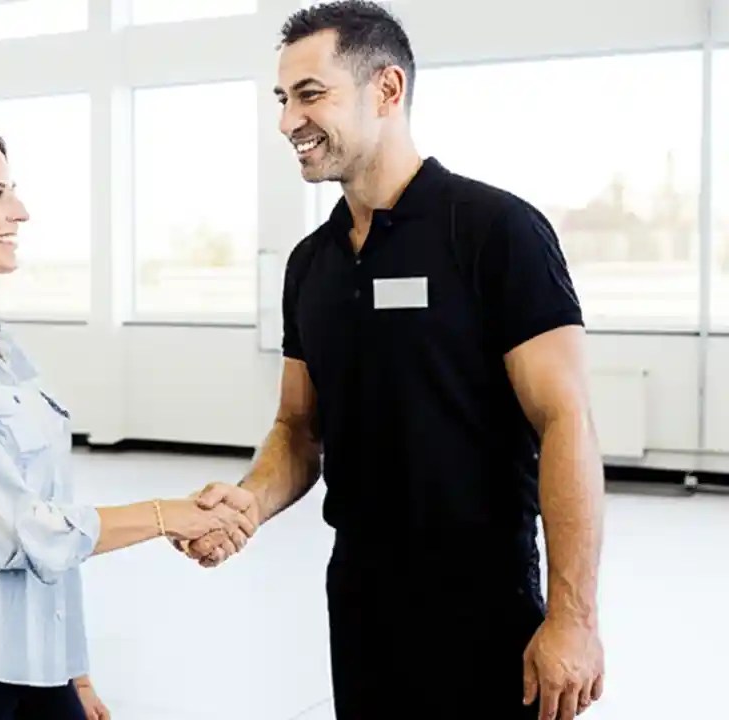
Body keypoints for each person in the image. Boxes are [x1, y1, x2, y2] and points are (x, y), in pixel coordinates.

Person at [179, 3, 606, 719]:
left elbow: (566, 420)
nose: (288, 121)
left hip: (482, 592)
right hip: (360, 590)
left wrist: (574, 617)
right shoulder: (311, 264)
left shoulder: (495, 230)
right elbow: (298, 427)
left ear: (387, 89)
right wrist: (249, 502)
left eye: (311, 94)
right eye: (283, 100)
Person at [0, 125, 255, 720]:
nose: (20, 211)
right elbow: (20, 528)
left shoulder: (0, 346)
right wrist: (164, 515)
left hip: (36, 662)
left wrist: (77, 671)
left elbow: (50, 503)